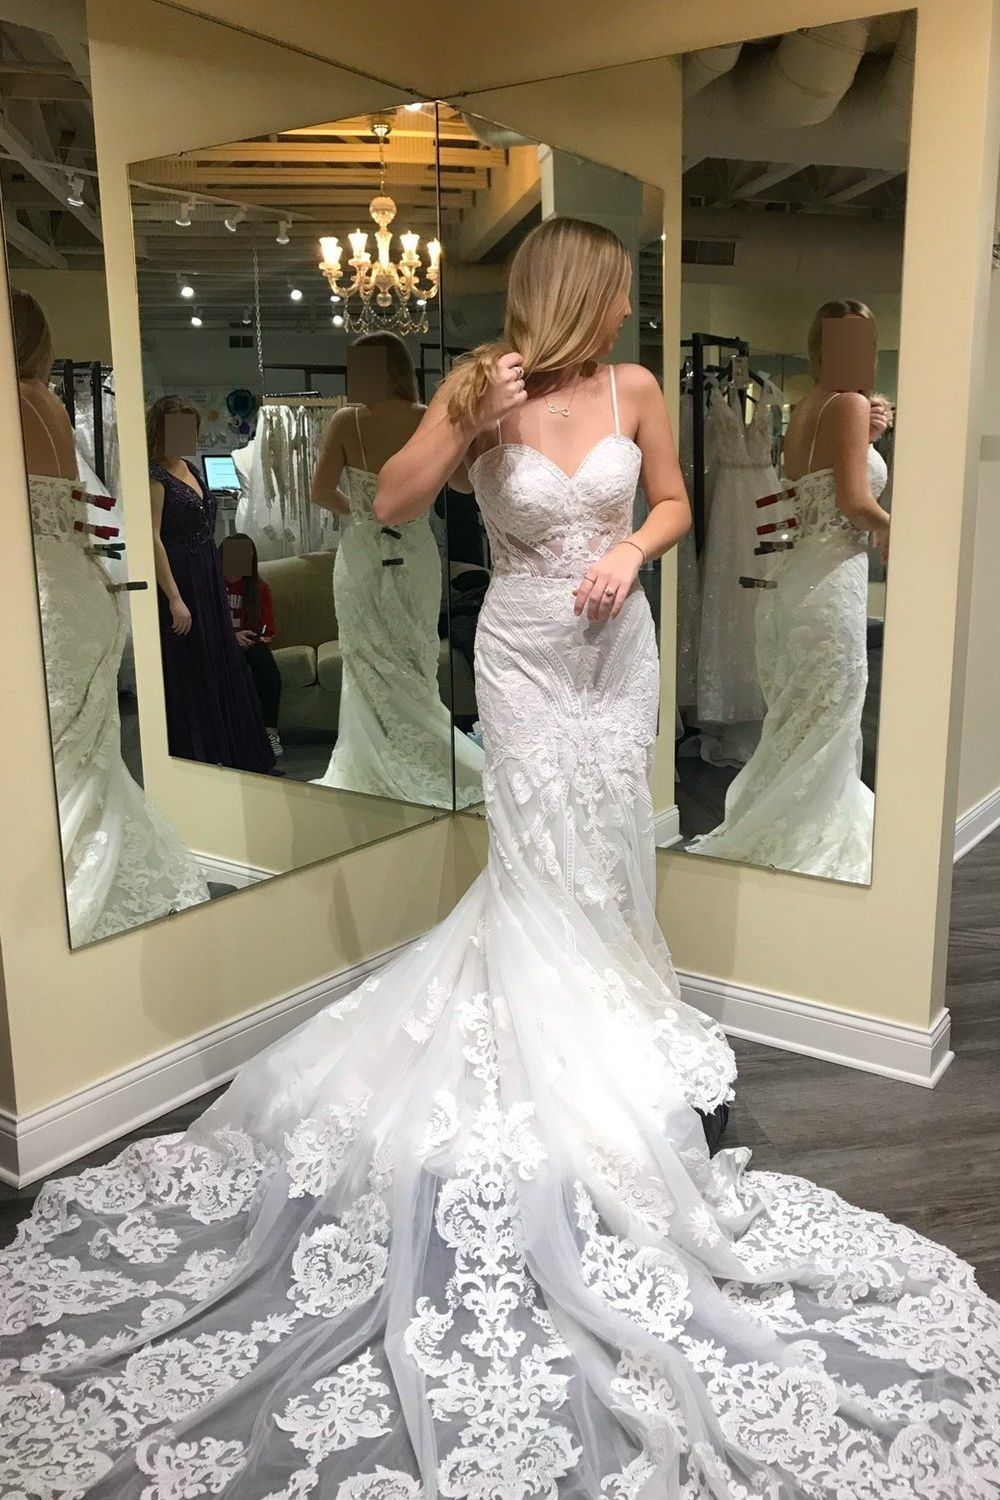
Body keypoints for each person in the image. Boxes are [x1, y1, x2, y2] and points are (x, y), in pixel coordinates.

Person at [1, 227, 997, 1497]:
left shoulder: (634, 388)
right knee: (536, 850)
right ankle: (549, 1044)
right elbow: (392, 501)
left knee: (609, 844)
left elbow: (673, 501)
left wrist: (631, 549)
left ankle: (615, 1006)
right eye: (612, 294)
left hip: (615, 651)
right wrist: (467, 414)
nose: (624, 312)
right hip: (523, 652)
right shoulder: (485, 387)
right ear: (571, 294)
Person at [14, 290, 209, 944]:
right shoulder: (44, 402)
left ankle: (56, 901)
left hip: (41, 592)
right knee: (76, 746)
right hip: (74, 587)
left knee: (58, 749)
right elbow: (76, 513)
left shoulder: (19, 402)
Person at [686, 300, 892, 883]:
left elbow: (818, 489)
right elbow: (854, 503)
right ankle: (807, 832)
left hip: (800, 578)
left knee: (804, 712)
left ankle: (782, 823)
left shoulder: (810, 406)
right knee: (827, 710)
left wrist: (867, 437)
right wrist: (896, 526)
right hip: (832, 580)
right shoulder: (848, 403)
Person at [310, 330, 484, 809]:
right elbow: (463, 485)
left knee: (367, 658)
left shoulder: (346, 421)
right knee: (414, 658)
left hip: (363, 550)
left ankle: (383, 757)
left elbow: (321, 492)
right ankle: (423, 757)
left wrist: (364, 514)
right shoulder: (429, 418)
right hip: (415, 547)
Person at [148, 396, 276, 775]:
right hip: (181, 577)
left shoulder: (189, 467)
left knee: (218, 660)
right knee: (190, 665)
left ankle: (228, 750)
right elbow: (152, 539)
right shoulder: (155, 478)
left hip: (206, 573)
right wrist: (174, 598)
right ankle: (197, 756)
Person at [220, 531, 283, 761]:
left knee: (266, 668)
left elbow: (267, 626)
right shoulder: (212, 587)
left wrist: (255, 637)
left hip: (250, 644)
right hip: (220, 644)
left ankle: (269, 732)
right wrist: (231, 637)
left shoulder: (258, 588)